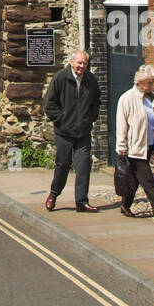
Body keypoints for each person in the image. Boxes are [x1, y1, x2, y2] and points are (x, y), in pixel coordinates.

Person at [43, 49, 101, 213]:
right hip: (64, 132)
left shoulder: (90, 79)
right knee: (63, 165)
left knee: (83, 165)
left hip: (83, 132)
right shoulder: (61, 78)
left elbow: (96, 100)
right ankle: (53, 194)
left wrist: (91, 117)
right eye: (79, 63)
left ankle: (81, 202)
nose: (82, 66)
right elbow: (49, 104)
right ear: (72, 62)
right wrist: (61, 119)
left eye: (84, 63)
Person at [116, 64, 154, 218]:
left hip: (149, 144)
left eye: (152, 82)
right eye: (149, 82)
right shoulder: (127, 98)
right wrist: (121, 145)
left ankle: (125, 204)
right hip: (135, 146)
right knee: (146, 176)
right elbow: (121, 123)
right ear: (139, 82)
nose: (152, 86)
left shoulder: (153, 99)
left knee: (134, 179)